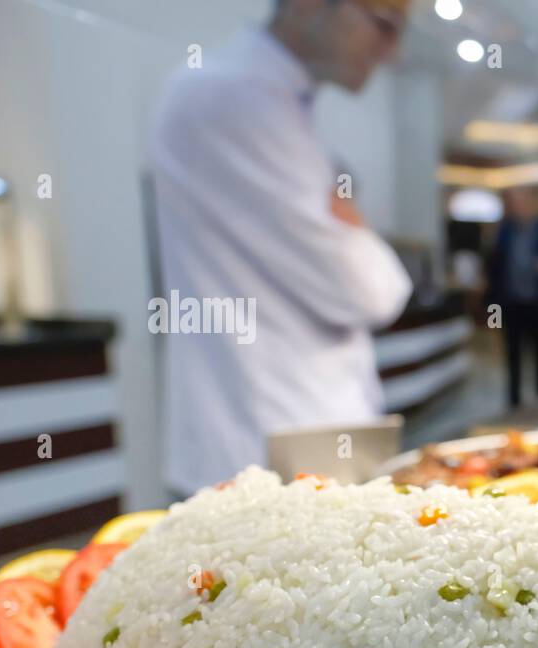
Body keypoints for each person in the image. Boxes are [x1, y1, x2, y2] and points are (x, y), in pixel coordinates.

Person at [150, 0, 413, 496]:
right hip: (269, 453)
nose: (392, 53)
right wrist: (348, 220)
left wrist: (345, 217)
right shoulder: (231, 97)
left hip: (298, 441)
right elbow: (373, 291)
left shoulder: (275, 101)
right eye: (384, 25)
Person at [485, 188, 538, 408]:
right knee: (513, 355)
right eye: (514, 202)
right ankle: (514, 402)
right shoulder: (504, 232)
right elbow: (494, 267)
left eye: (522, 201)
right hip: (511, 302)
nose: (518, 206)